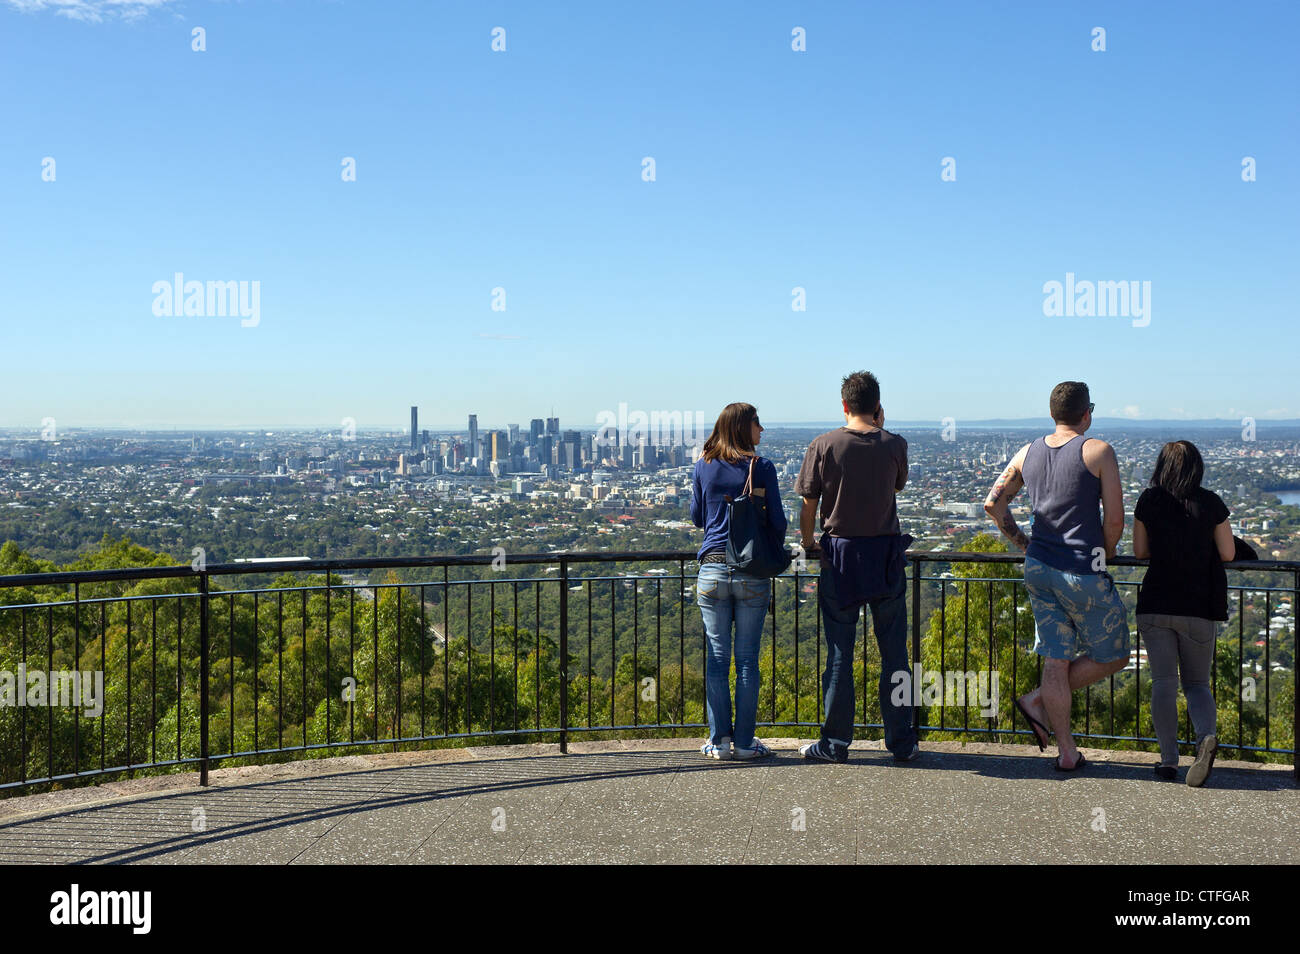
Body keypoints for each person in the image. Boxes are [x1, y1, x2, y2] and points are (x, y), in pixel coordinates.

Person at [984, 381, 1127, 772]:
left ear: (1052, 414)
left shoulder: (1026, 452)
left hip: (1039, 569)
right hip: (1081, 570)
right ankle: (1038, 701)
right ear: (1087, 413)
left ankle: (1066, 750)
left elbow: (993, 504)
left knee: (1055, 660)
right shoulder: (1098, 451)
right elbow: (1114, 519)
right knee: (1114, 655)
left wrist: (1024, 543)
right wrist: (1107, 552)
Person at [794, 371, 916, 764]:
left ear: (844, 405)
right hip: (885, 557)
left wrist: (808, 542)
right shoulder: (895, 444)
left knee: (839, 654)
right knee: (895, 653)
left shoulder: (823, 445)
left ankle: (835, 743)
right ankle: (902, 742)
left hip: (840, 556)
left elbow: (809, 503)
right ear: (878, 406)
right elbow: (897, 486)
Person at [1132, 441, 1232, 787]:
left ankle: (1167, 760)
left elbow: (1140, 551)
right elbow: (1229, 553)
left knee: (1163, 682)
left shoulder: (1149, 500)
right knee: (1197, 684)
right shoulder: (1211, 503)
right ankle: (1205, 737)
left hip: (1157, 603)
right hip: (1199, 607)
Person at [690, 402, 786, 760]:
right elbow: (778, 519)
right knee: (746, 660)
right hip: (750, 573)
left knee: (717, 658)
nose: (761, 431)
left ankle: (719, 742)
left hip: (712, 571)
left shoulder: (704, 464)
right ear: (744, 427)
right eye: (758, 424)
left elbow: (698, 516)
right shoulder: (761, 467)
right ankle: (745, 743)